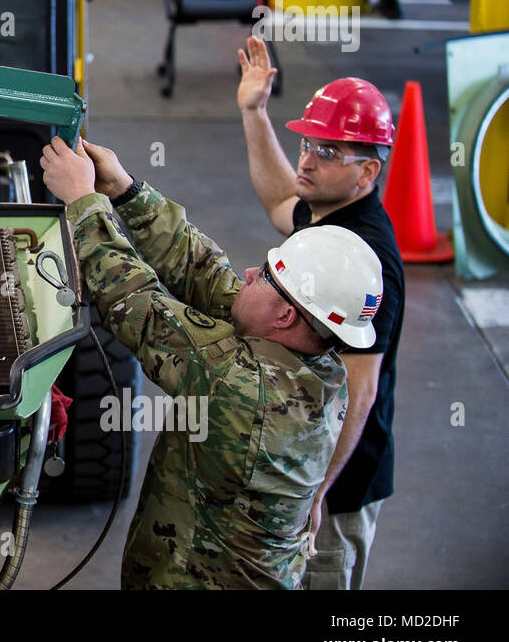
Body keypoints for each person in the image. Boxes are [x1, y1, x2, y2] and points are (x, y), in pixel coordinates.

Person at [39, 135, 383, 589]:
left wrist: (84, 201)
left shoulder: (243, 389)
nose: (250, 274)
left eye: (267, 278)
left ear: (285, 315)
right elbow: (207, 272)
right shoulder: (321, 366)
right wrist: (125, 191)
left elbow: (135, 302)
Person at [237, 36, 405, 590]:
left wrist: (319, 490)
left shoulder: (369, 259)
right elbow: (280, 202)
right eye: (308, 142)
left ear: (368, 174)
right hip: (304, 466)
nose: (306, 160)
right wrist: (254, 112)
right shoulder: (329, 213)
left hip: (338, 488)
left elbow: (361, 392)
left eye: (327, 152)